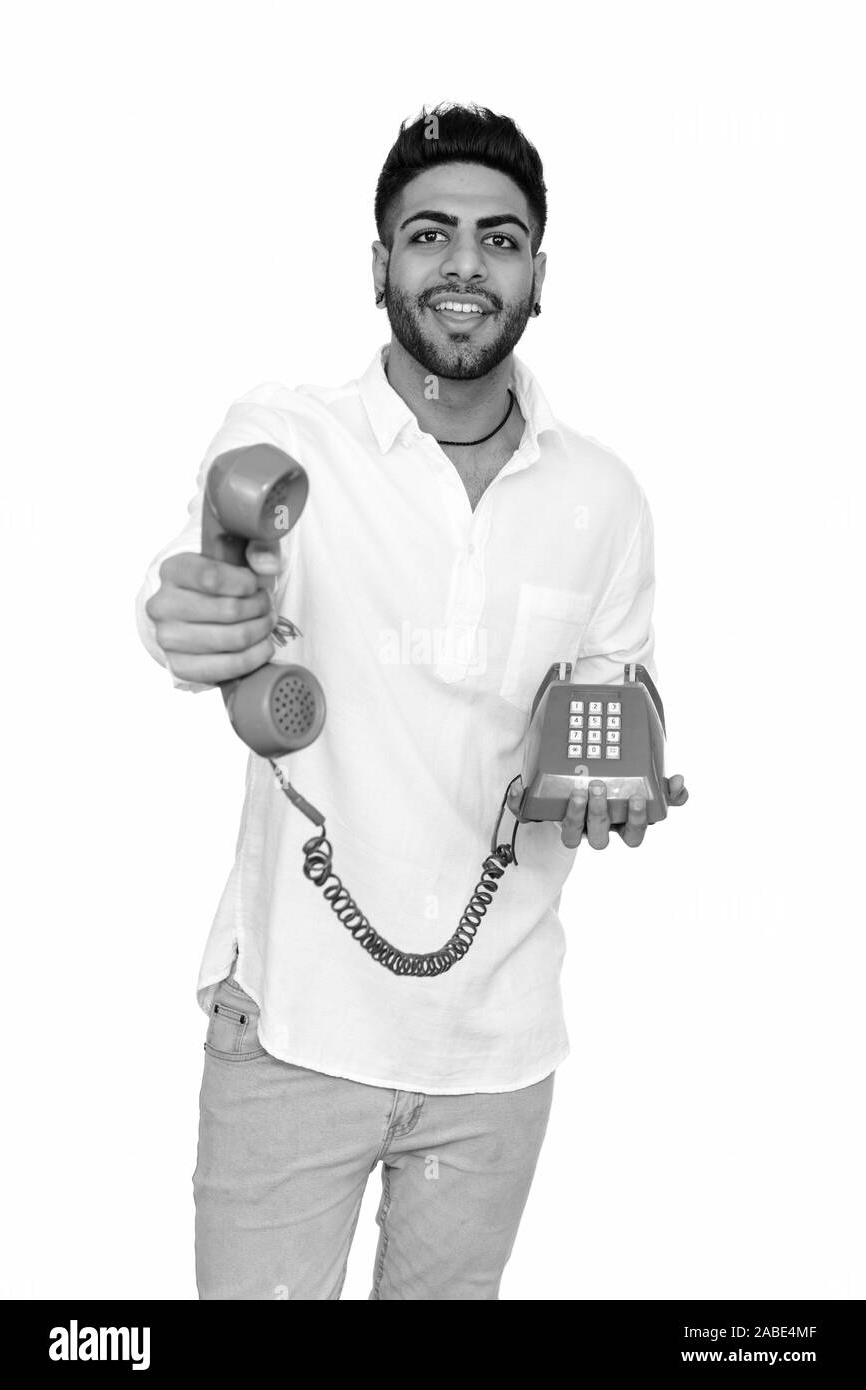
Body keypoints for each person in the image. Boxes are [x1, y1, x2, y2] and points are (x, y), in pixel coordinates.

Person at [135, 101, 688, 1301]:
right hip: (293, 1027)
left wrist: (613, 788)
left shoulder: (605, 499)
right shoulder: (290, 436)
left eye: (499, 239)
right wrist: (189, 618)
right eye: (429, 234)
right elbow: (203, 579)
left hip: (497, 1051)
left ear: (539, 272)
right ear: (380, 262)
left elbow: (609, 702)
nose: (463, 265)